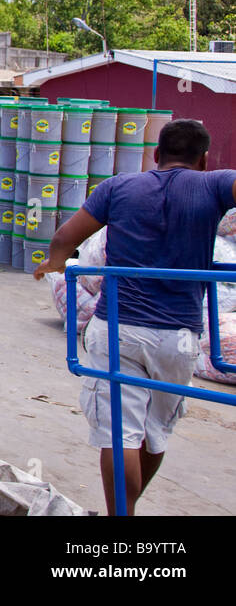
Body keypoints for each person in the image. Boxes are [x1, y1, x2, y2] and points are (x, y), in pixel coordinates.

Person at [34, 119, 236, 516]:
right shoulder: (214, 184)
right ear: (204, 159)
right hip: (178, 337)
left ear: (156, 155)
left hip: (117, 331)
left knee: (118, 436)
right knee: (154, 435)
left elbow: (63, 239)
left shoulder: (118, 187)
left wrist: (53, 264)